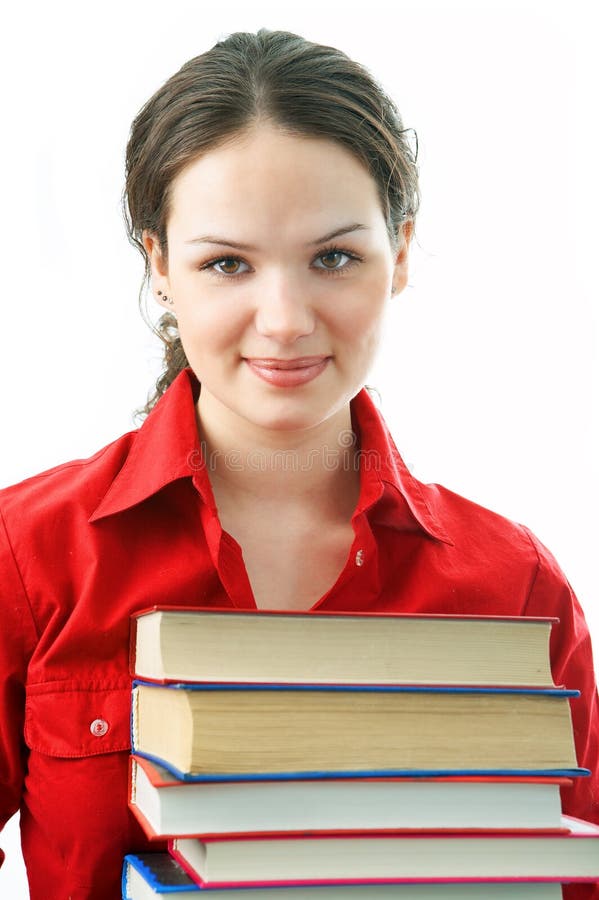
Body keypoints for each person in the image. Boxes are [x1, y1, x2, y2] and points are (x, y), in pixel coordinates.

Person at [0, 27, 597, 900]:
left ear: (398, 254)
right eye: (226, 263)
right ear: (160, 266)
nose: (282, 320)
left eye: (333, 258)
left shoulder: (516, 590)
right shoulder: (27, 552)